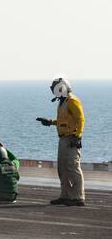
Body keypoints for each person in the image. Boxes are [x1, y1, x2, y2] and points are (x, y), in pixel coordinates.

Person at [37, 78, 85, 206]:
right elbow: (64, 121)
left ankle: (77, 197)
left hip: (71, 139)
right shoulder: (63, 102)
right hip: (63, 139)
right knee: (62, 169)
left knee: (73, 167)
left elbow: (80, 119)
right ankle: (65, 195)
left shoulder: (72, 101)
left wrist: (78, 136)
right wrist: (50, 122)